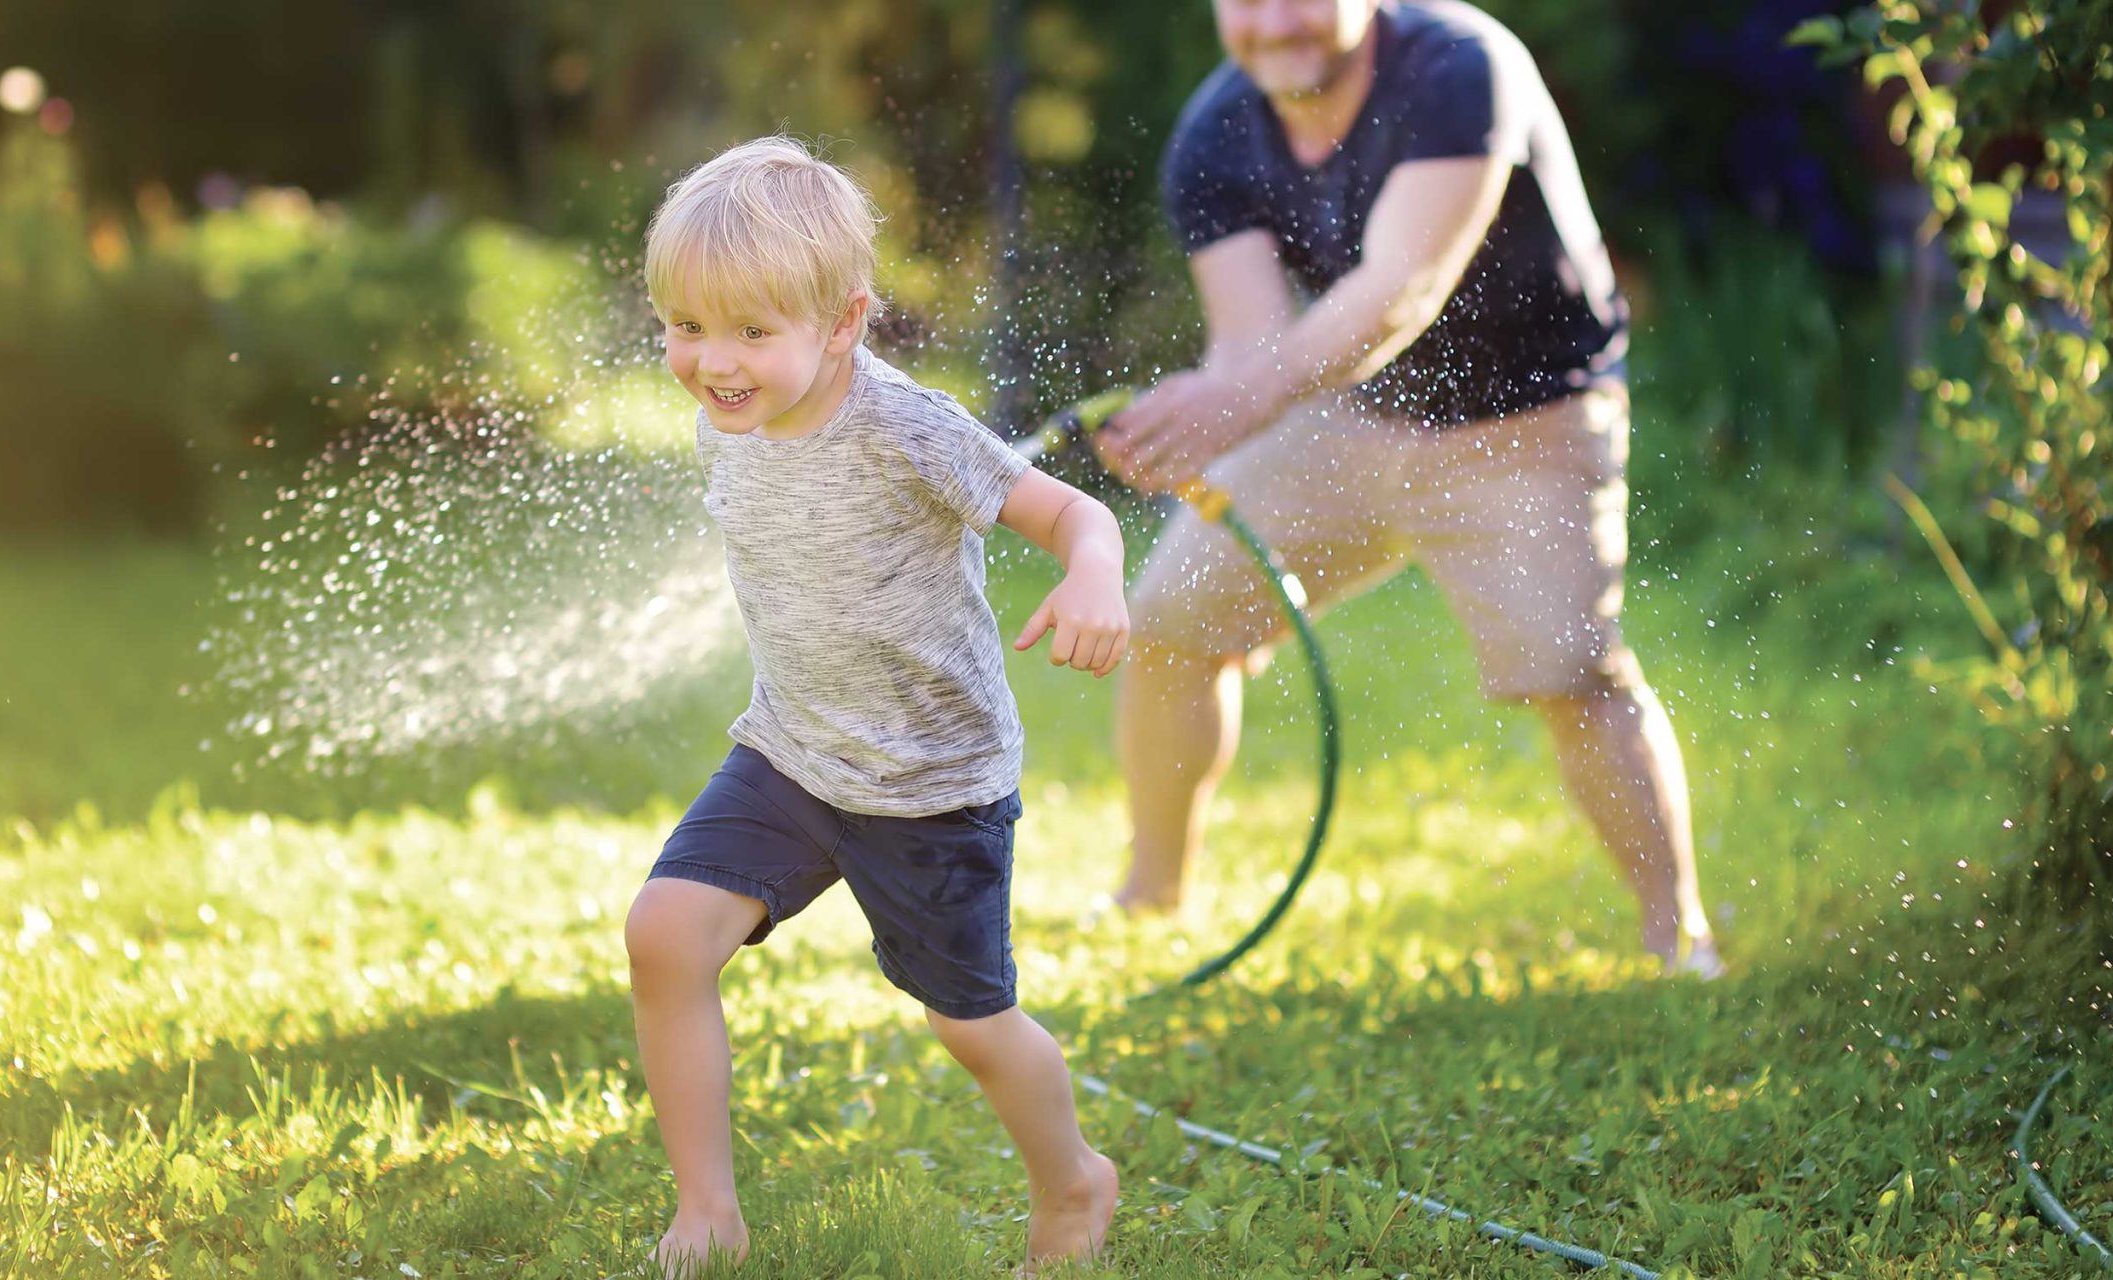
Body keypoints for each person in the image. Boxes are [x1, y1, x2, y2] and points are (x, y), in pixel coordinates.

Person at [1097, 0, 1722, 976]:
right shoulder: (1214, 132)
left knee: (1570, 674)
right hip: (1342, 412)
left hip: (1527, 423)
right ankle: (1149, 896)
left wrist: (1236, 399)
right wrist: (1194, 426)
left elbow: (1401, 291)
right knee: (1172, 621)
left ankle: (1678, 938)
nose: (1274, 21)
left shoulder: (1459, 68)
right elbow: (1252, 345)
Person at [624, 137, 1127, 1275]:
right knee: (663, 934)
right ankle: (708, 1208)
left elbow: (1075, 519)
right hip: (794, 755)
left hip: (931, 785)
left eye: (752, 331)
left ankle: (1074, 1181)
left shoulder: (910, 428)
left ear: (844, 323)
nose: (713, 362)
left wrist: (1093, 574)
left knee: (971, 1023)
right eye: (686, 326)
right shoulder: (730, 409)